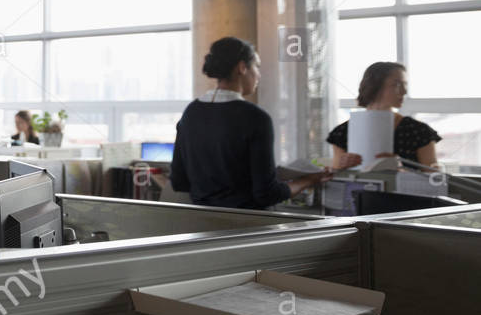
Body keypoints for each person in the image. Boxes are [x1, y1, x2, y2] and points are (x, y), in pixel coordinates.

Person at [170, 37, 331, 209]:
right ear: (242, 67)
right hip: (245, 226)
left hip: (201, 225)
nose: (259, 75)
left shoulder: (191, 113)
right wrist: (309, 180)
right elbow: (266, 194)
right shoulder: (255, 118)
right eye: (257, 66)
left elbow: (179, 182)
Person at [328, 62, 440, 169]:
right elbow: (335, 179)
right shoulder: (342, 133)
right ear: (375, 85)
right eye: (397, 84)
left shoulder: (418, 131)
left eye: (404, 85)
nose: (404, 91)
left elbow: (436, 180)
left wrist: (402, 169)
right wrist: (342, 167)